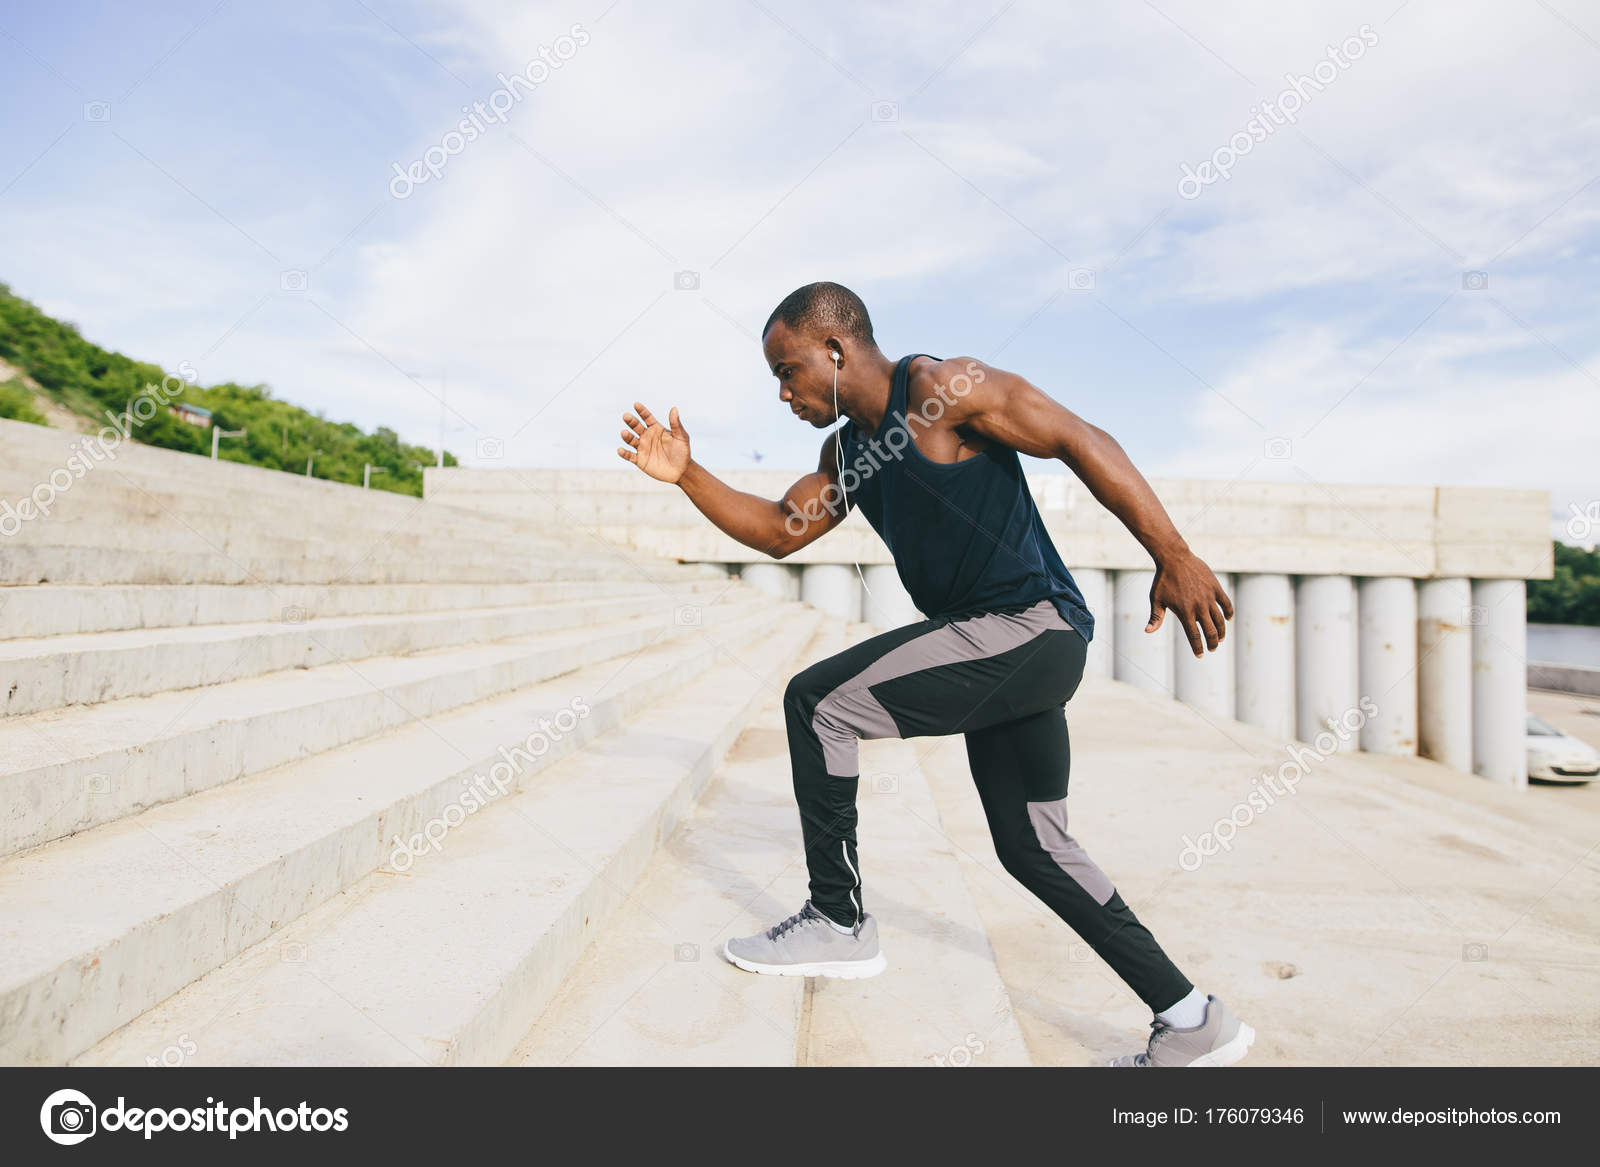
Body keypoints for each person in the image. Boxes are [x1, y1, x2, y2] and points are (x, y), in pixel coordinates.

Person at [617, 282, 1254, 1067]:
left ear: (836, 350)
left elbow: (1082, 438)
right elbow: (783, 529)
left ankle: (837, 918)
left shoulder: (944, 390)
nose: (784, 392)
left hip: (1030, 625)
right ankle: (1192, 1018)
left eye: (788, 370)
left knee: (818, 703)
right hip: (1003, 650)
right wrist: (688, 473)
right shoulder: (849, 452)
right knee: (1032, 847)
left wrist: (1174, 552)